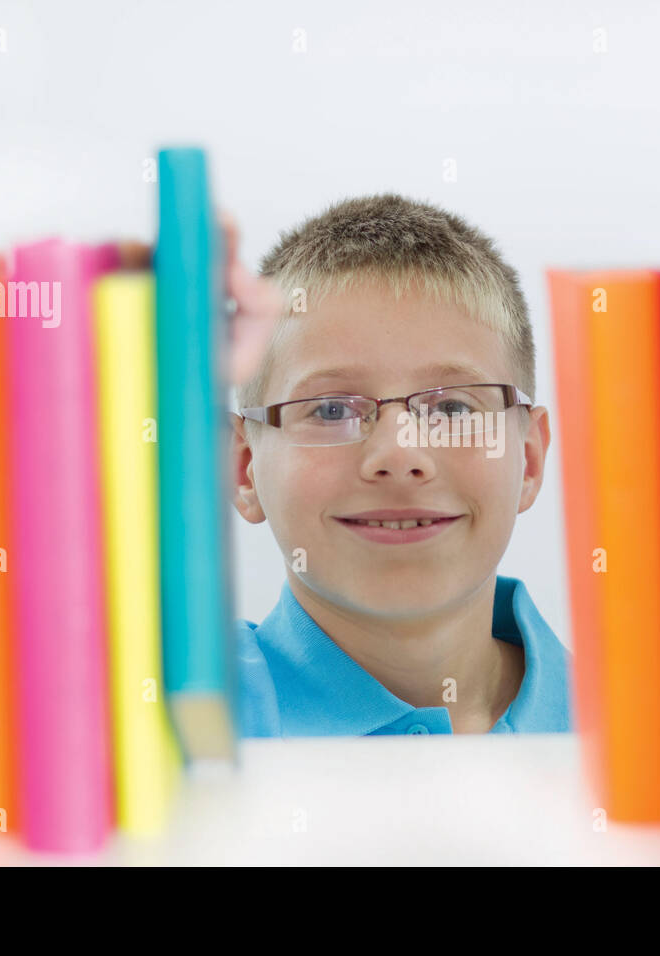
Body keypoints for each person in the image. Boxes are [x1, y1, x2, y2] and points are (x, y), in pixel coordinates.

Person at [223, 195, 571, 736]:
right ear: (245, 468)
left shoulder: (651, 728)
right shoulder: (153, 723)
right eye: (332, 409)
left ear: (527, 459)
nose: (399, 455)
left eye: (454, 407)